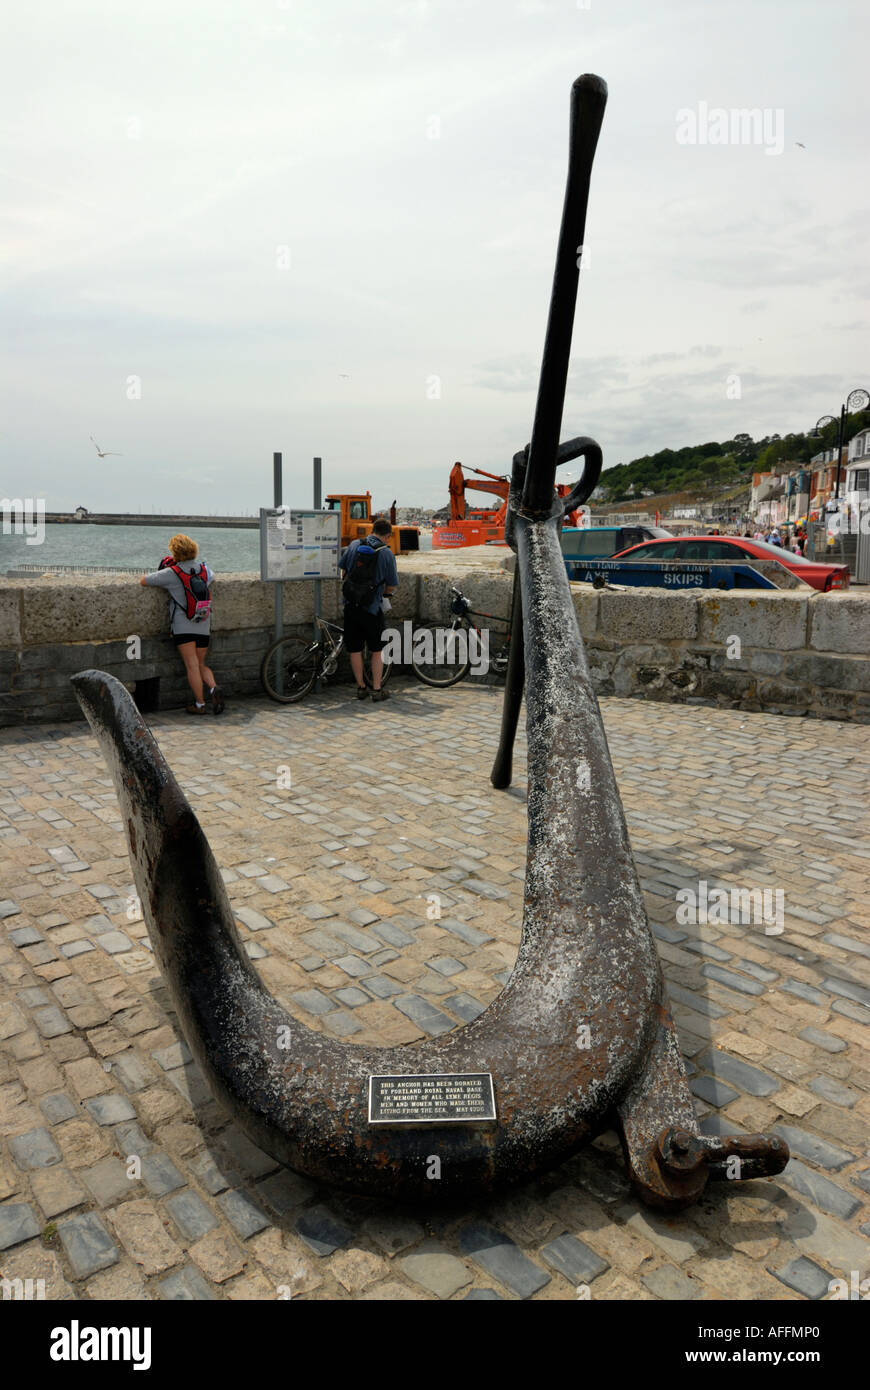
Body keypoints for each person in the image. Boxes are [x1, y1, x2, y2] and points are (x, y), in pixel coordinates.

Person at [139, 533, 224, 716]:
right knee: (201, 664)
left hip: (183, 625)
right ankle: (213, 687)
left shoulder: (172, 572)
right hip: (202, 622)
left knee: (191, 665)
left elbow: (144, 581)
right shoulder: (204, 570)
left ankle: (200, 705)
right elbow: (213, 577)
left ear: (175, 552)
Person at [339, 516, 398, 703]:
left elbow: (343, 573)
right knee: (376, 650)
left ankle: (361, 688)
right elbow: (391, 585)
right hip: (372, 608)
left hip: (351, 606)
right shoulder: (387, 553)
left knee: (355, 649)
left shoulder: (354, 545)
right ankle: (377, 689)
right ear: (387, 535)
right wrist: (385, 596)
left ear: (372, 530)